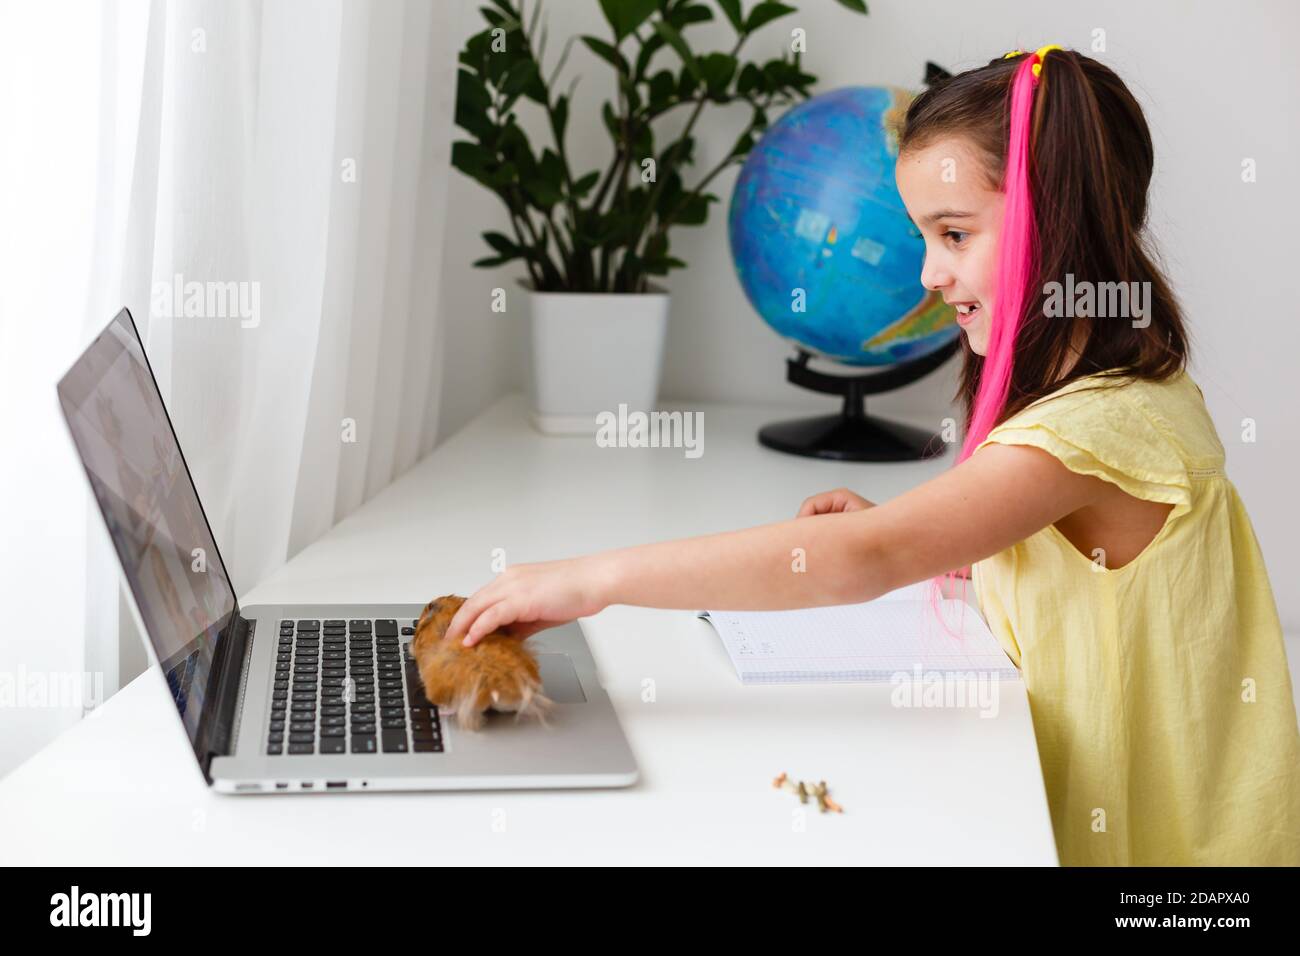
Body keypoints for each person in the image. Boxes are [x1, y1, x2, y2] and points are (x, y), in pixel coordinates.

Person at [443, 46, 1300, 866]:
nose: (928, 273)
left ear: (1059, 224)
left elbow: (861, 562)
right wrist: (936, 540)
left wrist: (593, 582)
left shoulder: (1096, 430)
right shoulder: (1116, 399)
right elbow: (1085, 588)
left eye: (955, 234)